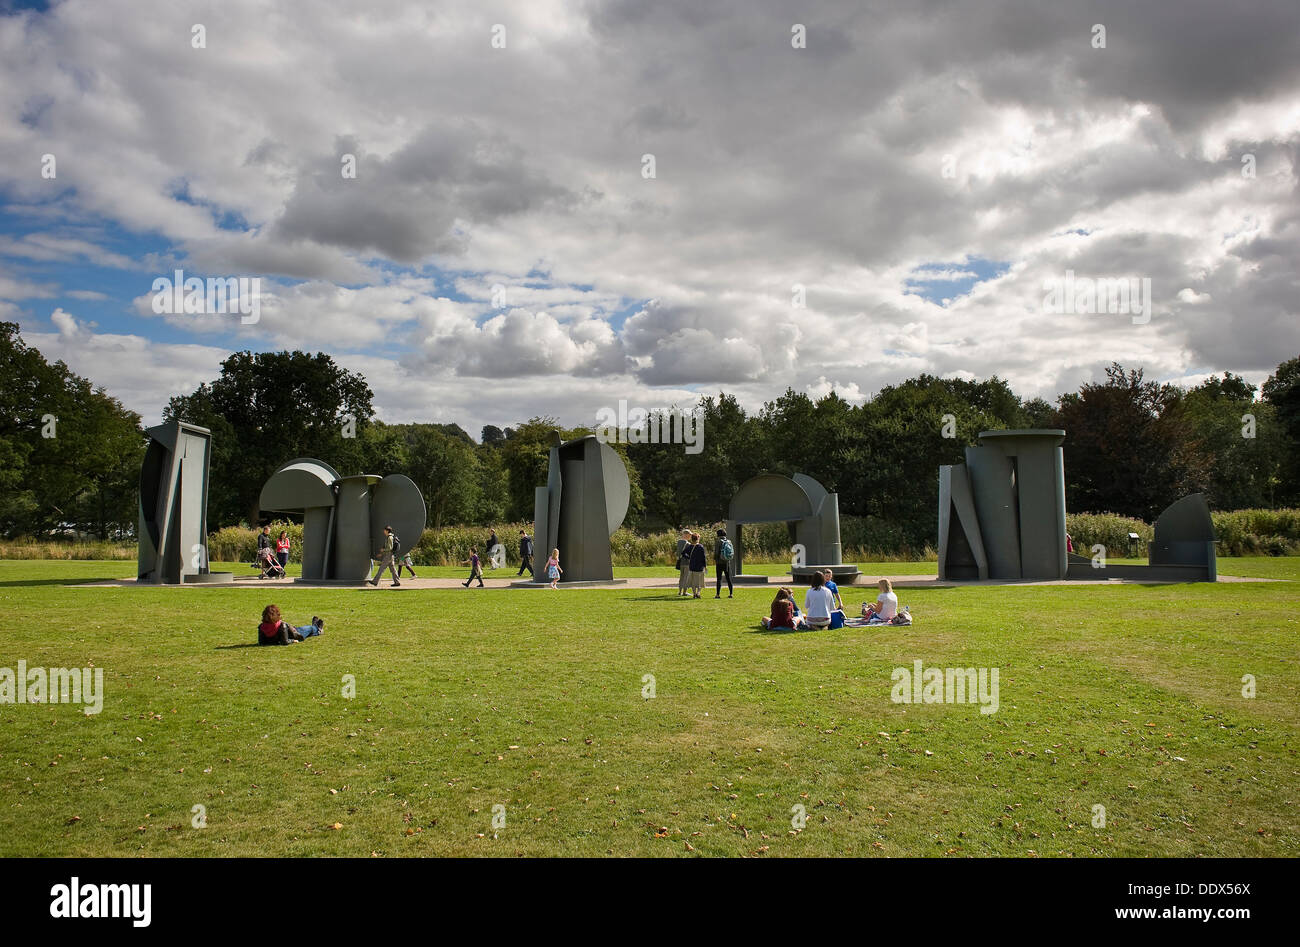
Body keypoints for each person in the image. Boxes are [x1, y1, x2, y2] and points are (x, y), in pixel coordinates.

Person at [257, 604, 324, 645]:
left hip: (291, 630)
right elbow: (285, 641)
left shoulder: (262, 627)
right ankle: (318, 629)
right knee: (310, 629)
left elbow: (261, 642)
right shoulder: (282, 625)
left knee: (308, 629)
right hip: (296, 633)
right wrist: (293, 640)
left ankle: (315, 625)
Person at [714, 529, 734, 599]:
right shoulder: (729, 541)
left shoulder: (718, 541)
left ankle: (718, 594)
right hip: (727, 562)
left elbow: (716, 553)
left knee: (719, 579)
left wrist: (715, 559)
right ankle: (731, 593)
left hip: (719, 562)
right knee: (729, 578)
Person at [687, 532, 707, 598]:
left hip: (692, 566)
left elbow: (683, 553)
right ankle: (698, 593)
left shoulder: (690, 547)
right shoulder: (701, 547)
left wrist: (689, 557)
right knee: (700, 581)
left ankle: (694, 594)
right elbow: (703, 557)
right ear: (698, 539)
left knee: (693, 581)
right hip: (699, 567)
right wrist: (705, 566)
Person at [674, 529, 692, 597]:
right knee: (686, 577)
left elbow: (678, 553)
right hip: (687, 562)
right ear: (686, 534)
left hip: (681, 562)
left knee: (681, 577)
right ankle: (685, 592)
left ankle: (679, 591)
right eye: (689, 535)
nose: (690, 536)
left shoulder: (679, 542)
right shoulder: (688, 544)